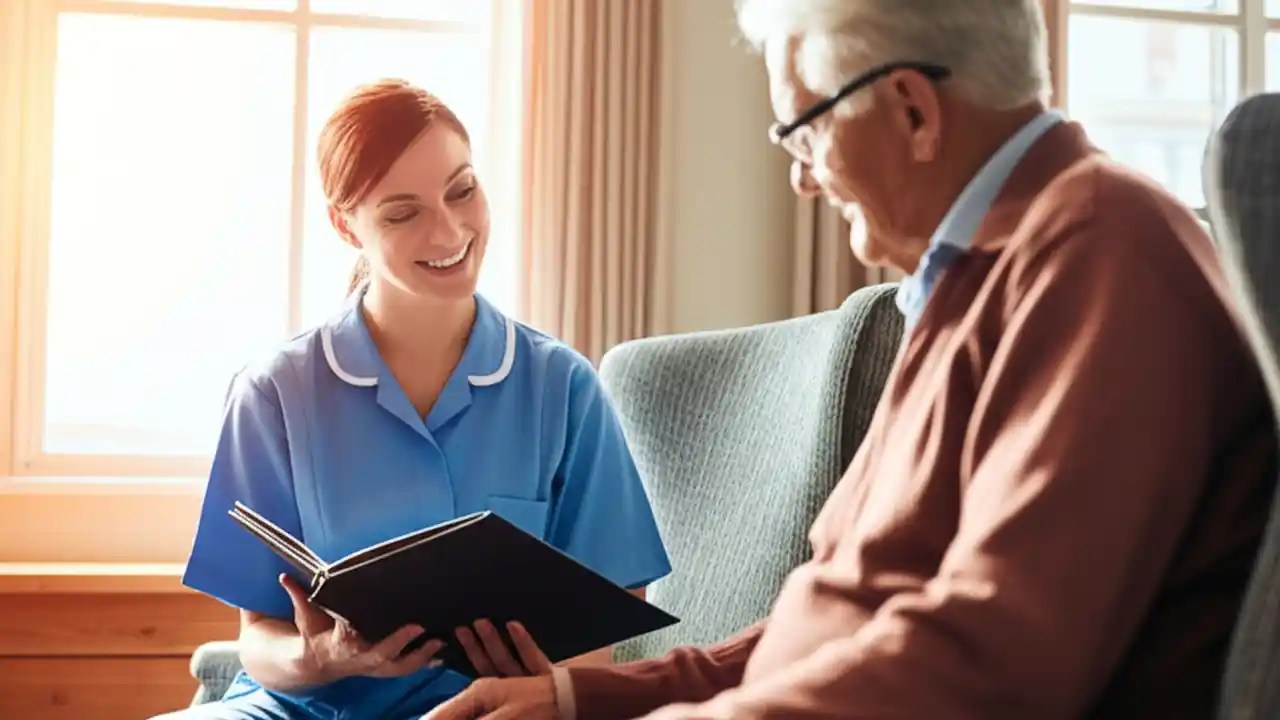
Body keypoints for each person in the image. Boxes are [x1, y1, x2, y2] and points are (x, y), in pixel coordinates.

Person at [424, 1, 1279, 718]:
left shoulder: (1101, 251)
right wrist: (579, 698)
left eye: (805, 129)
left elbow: (997, 658)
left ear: (911, 109)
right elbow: (845, 612)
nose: (802, 178)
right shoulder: (979, 274)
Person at [159, 79, 671, 720]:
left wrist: (544, 691)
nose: (451, 230)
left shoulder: (562, 387)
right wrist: (323, 658)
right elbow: (258, 634)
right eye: (404, 213)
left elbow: (611, 615)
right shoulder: (274, 393)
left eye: (462, 190)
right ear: (346, 226)